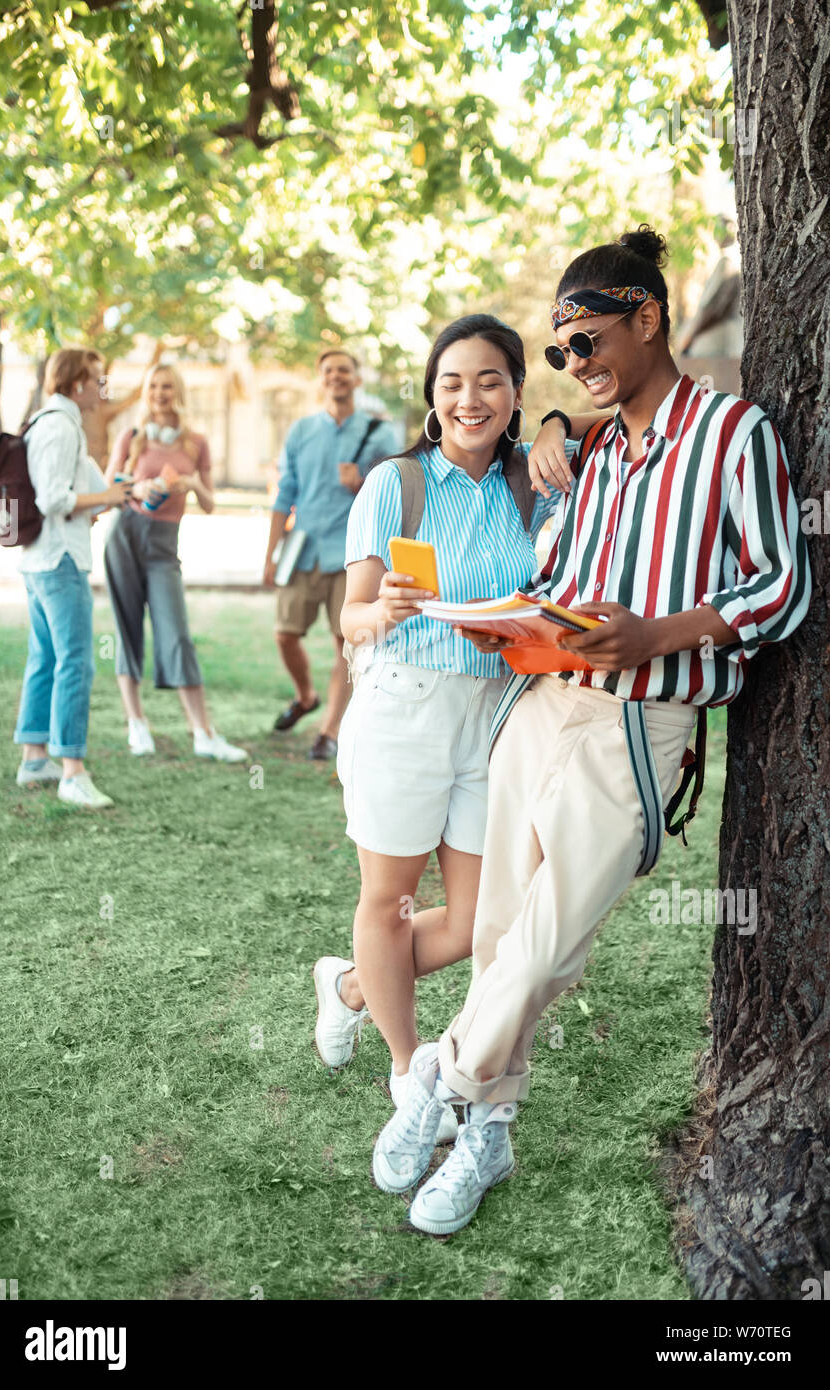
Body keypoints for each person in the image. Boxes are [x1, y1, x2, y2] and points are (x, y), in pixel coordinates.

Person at [370, 227, 812, 1235]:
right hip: (539, 707)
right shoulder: (594, 451)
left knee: (547, 943)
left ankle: (440, 1075)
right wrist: (507, 605)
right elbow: (553, 571)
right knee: (495, 937)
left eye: (585, 344)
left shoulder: (728, 433)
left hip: (638, 723)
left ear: (646, 319)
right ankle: (488, 1134)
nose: (571, 365)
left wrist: (657, 631)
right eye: (560, 353)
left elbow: (781, 584)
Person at [312, 314, 581, 1143]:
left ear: (516, 394)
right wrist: (379, 610)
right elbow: (350, 617)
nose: (471, 397)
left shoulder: (533, 484)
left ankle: (352, 986)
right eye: (453, 382)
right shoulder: (397, 483)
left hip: (496, 713)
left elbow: (622, 427)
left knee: (474, 924)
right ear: (433, 397)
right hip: (404, 704)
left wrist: (562, 424)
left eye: (490, 380)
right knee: (389, 899)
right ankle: (405, 1062)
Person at [103, 362, 247, 762]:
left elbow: (210, 503)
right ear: (146, 391)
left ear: (178, 392)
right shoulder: (131, 437)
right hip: (126, 533)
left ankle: (204, 733)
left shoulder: (196, 442)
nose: (160, 393)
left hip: (165, 544)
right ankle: (137, 726)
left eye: (167, 386)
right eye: (154, 386)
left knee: (177, 632)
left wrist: (192, 483)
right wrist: (138, 486)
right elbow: (109, 485)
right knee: (127, 626)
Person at [263, 350, 399, 760]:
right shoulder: (301, 430)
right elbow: (284, 494)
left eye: (345, 369)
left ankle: (329, 731)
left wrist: (360, 484)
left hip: (354, 552)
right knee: (285, 634)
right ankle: (306, 696)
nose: (337, 376)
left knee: (347, 641)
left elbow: (393, 493)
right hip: (303, 548)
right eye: (329, 371)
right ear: (321, 380)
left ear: (357, 379)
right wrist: (270, 553)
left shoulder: (380, 433)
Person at [13, 346, 133, 810]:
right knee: (75, 661)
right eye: (98, 381)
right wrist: (101, 497)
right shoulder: (61, 427)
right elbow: (53, 499)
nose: (103, 389)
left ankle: (34, 757)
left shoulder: (53, 423)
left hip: (43, 558)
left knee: (45, 658)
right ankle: (72, 770)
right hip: (59, 560)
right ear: (77, 382)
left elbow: (69, 498)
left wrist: (105, 498)